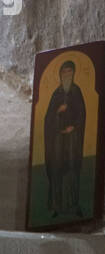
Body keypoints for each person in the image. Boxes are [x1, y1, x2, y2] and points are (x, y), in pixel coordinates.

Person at [44, 59, 86, 217]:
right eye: (64, 72)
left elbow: (82, 115)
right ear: (60, 74)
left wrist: (74, 127)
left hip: (73, 141)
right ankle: (56, 206)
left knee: (73, 172)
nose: (67, 74)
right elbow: (47, 119)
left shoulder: (77, 91)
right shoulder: (56, 94)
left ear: (73, 73)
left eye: (70, 71)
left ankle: (74, 205)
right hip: (57, 142)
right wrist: (57, 112)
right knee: (56, 172)